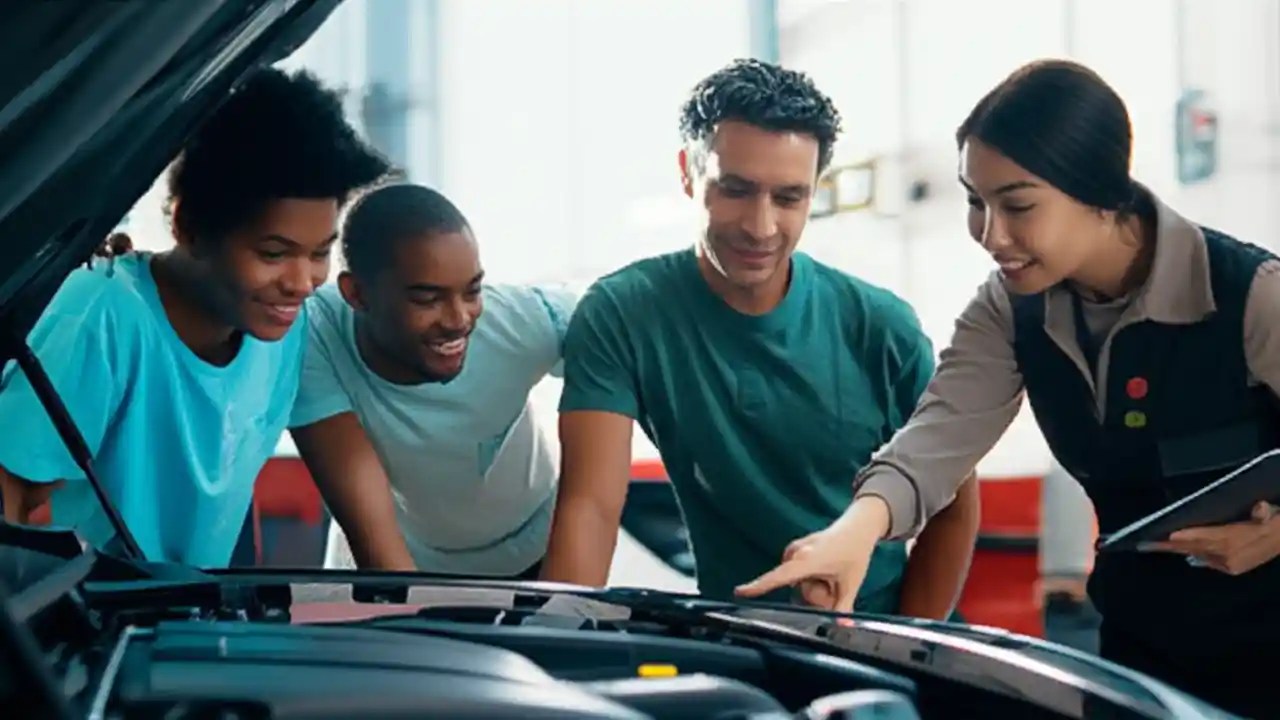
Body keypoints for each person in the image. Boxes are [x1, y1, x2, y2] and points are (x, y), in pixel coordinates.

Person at [739, 58, 1280, 717]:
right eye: (975, 201)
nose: (991, 234)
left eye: (1017, 205)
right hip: (1145, 665)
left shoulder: (1250, 297)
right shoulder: (1011, 310)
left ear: (1102, 194)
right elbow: (939, 434)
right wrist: (855, 532)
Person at [539, 58, 979, 618]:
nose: (761, 226)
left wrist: (912, 647)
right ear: (687, 173)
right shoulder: (622, 314)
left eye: (789, 198)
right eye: (736, 190)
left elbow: (954, 508)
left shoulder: (881, 328)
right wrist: (554, 641)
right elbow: (591, 506)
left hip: (884, 627)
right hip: (734, 635)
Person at [0, 68, 391, 568]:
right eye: (274, 253)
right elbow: (14, 494)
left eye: (319, 253)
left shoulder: (287, 329)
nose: (301, 281)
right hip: (86, 627)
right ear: (189, 226)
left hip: (190, 617)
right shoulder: (102, 316)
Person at [286, 183, 577, 577]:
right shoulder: (313, 336)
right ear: (356, 294)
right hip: (399, 556)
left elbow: (632, 334)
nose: (458, 319)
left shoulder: (525, 321)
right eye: (427, 299)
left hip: (533, 549)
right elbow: (365, 515)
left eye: (472, 290)